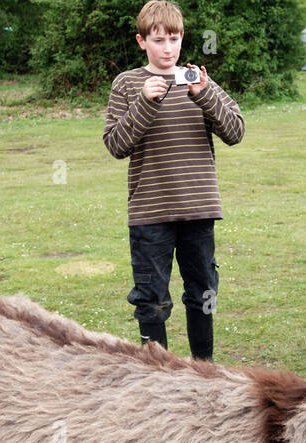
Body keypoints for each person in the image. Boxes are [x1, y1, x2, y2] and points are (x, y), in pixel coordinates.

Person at [103, 0, 244, 360]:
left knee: (203, 293)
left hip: (198, 210)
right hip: (150, 213)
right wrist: (146, 103)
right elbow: (116, 145)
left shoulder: (197, 80)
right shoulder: (127, 84)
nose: (168, 48)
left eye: (174, 39)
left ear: (183, 39)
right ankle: (156, 374)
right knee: (151, 299)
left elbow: (236, 131)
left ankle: (205, 367)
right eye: (159, 40)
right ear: (142, 41)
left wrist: (205, 94)